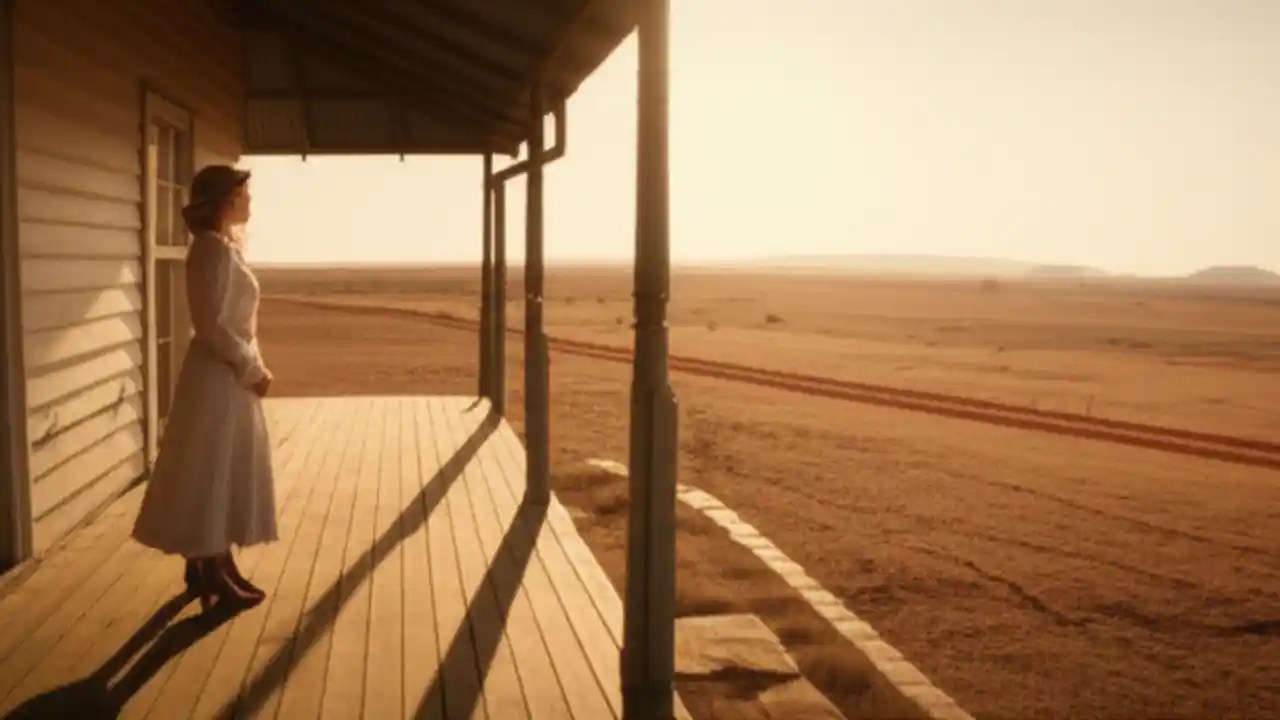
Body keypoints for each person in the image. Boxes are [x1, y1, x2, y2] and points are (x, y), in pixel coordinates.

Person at [132, 165, 276, 613]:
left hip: (227, 375)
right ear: (225, 201)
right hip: (219, 377)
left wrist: (253, 365)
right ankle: (210, 572)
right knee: (211, 467)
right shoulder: (210, 252)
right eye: (244, 193)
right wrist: (252, 368)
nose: (250, 201)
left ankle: (214, 562)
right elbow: (212, 326)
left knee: (223, 465)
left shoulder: (221, 247)